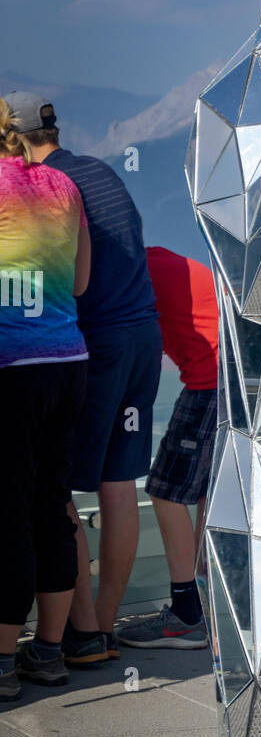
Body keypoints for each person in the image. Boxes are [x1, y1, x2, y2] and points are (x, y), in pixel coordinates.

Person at [3, 92, 164, 658]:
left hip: (91, 345)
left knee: (56, 491)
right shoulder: (97, 171)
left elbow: (68, 280)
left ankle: (78, 630)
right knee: (117, 483)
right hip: (144, 335)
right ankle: (98, 630)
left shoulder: (42, 185)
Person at [0, 96, 90, 697]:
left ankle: (2, 663)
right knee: (52, 507)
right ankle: (49, 652)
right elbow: (80, 282)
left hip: (12, 367)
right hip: (68, 362)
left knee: (6, 514)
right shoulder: (64, 186)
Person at [115, 247, 219, 649]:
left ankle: (186, 615)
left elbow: (124, 340)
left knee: (165, 490)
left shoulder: (130, 271)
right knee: (209, 493)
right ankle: (210, 606)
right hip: (239, 381)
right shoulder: (166, 261)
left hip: (209, 383)